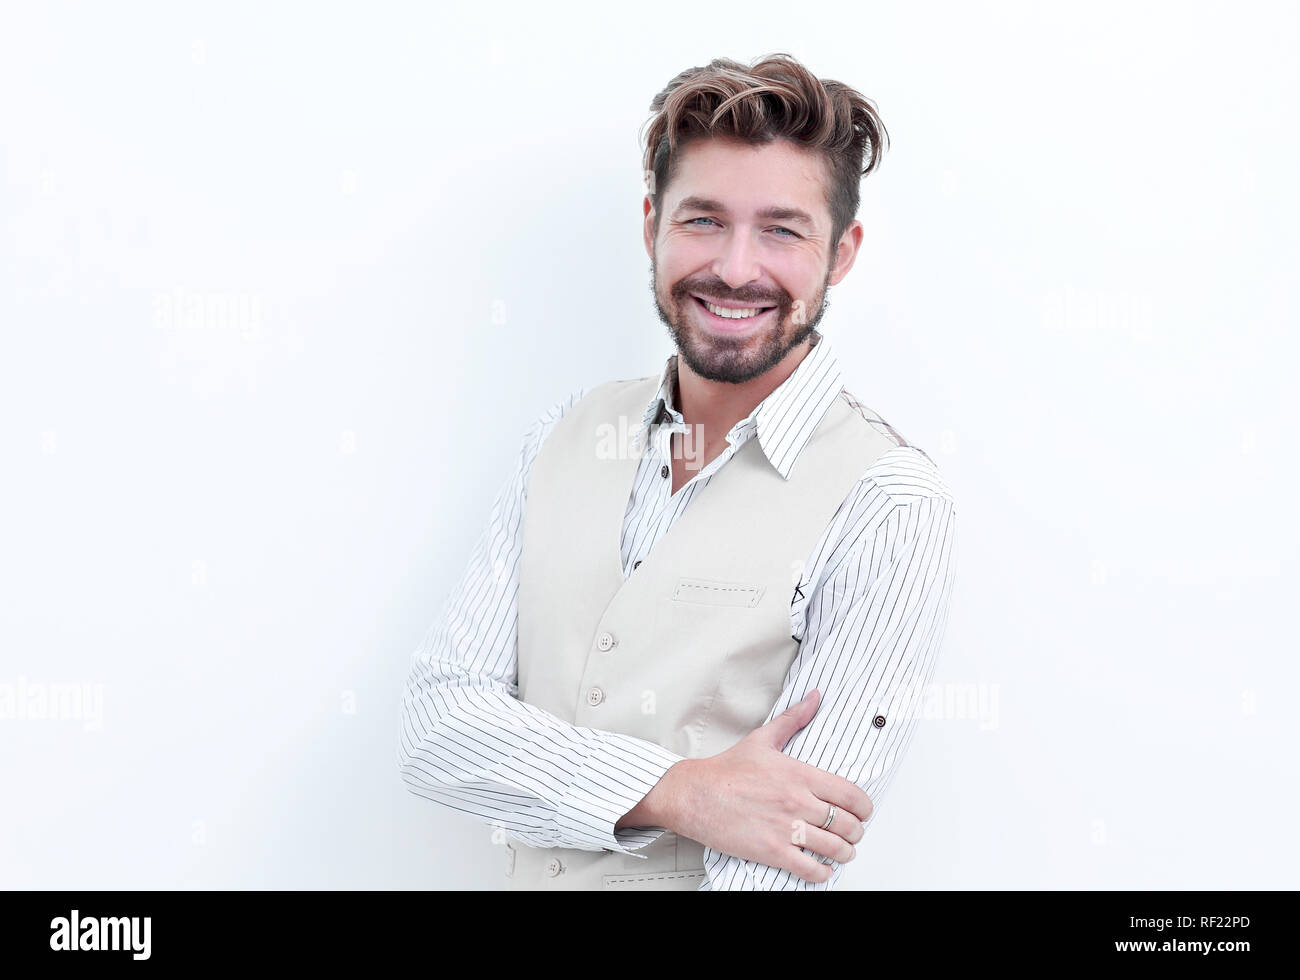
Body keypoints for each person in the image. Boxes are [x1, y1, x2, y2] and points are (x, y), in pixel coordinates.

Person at [397, 52, 959, 890]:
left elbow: (785, 849)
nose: (736, 269)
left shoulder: (888, 501)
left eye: (782, 229)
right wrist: (680, 791)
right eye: (703, 221)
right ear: (653, 223)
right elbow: (438, 727)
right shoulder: (563, 437)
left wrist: (549, 773)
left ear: (841, 253)